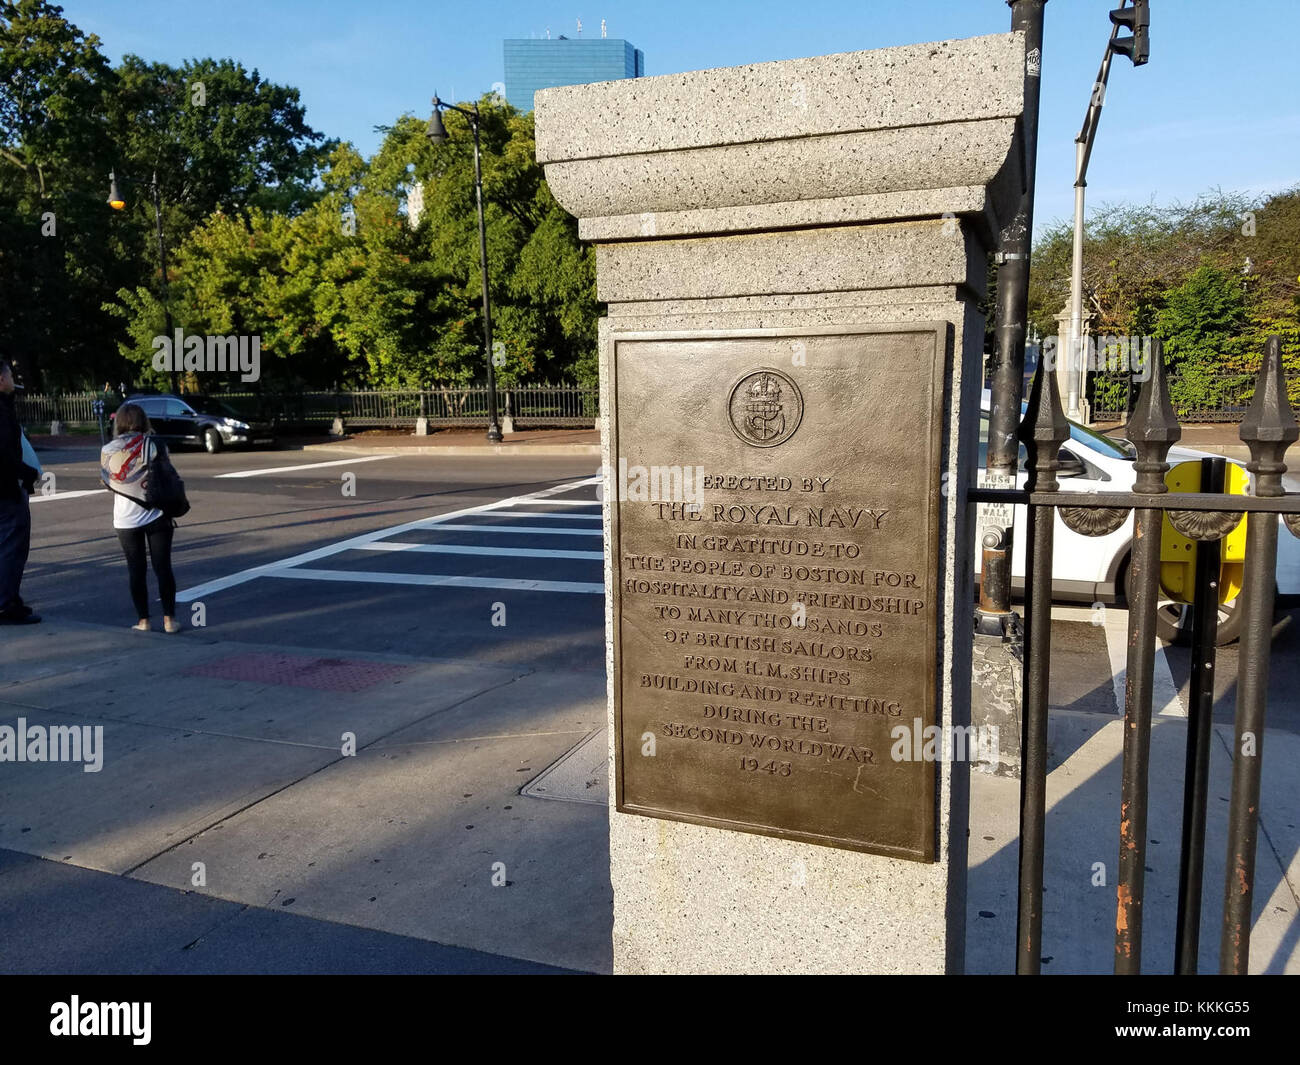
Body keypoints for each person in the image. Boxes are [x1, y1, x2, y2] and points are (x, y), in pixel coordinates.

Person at [100, 402, 181, 633]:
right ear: (144, 420)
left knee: (136, 570)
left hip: (125, 519)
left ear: (119, 423)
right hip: (157, 514)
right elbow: (168, 475)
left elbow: (108, 483)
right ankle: (169, 620)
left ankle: (144, 621)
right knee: (163, 567)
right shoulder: (155, 444)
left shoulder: (107, 450)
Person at [0, 357, 39, 624]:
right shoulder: (1, 411)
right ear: (1, 379)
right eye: (11, 375)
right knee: (12, 546)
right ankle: (6, 604)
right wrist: (29, 473)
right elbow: (3, 454)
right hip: (5, 490)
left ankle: (9, 598)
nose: (14, 380)